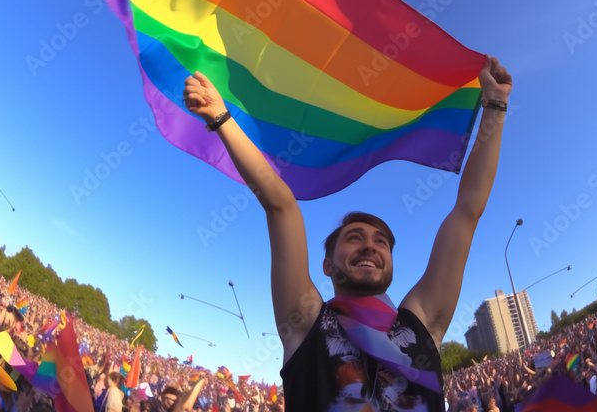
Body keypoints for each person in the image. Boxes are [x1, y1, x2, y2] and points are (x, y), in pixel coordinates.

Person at [182, 55, 511, 412]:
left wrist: (495, 105)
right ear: (326, 265)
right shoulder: (305, 321)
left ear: (390, 264)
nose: (370, 245)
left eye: (381, 241)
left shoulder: (423, 324)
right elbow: (281, 206)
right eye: (354, 238)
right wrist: (220, 117)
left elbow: (468, 211)